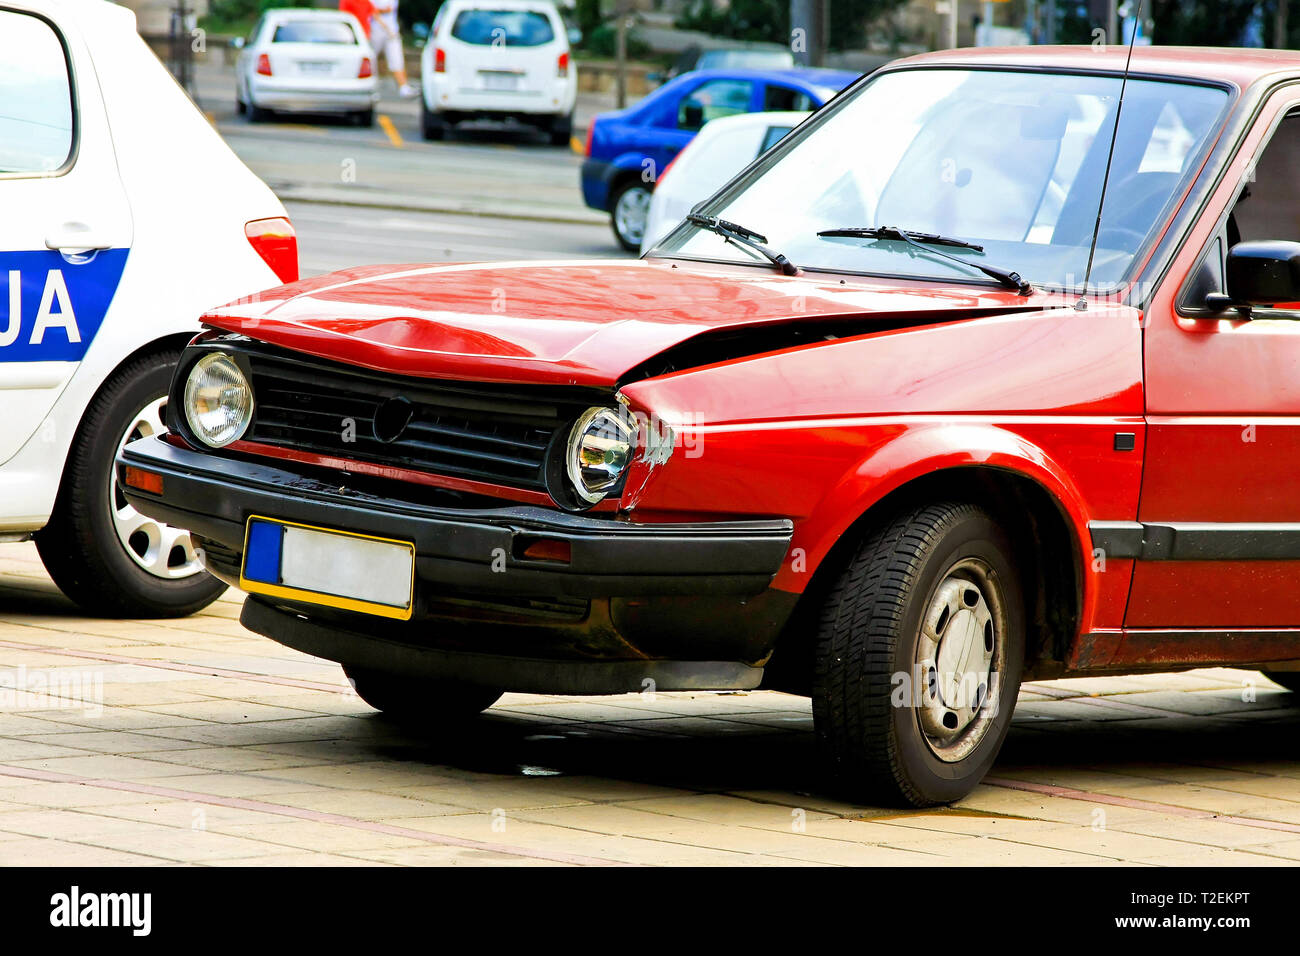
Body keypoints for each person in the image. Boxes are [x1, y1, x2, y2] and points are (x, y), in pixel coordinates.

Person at [371, 0, 415, 98]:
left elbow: (390, 10)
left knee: (396, 58)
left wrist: (389, 29)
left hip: (392, 30)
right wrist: (385, 26)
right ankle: (371, 88)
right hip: (375, 30)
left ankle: (404, 87)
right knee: (371, 60)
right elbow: (371, 10)